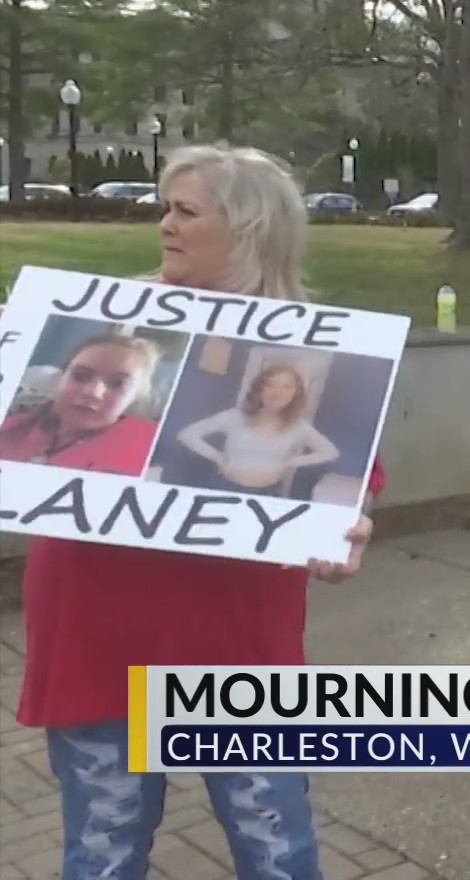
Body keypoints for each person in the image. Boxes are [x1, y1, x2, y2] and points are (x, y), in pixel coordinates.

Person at [17, 144, 377, 880]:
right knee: (103, 853)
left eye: (185, 211)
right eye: (165, 208)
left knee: (278, 852)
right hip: (102, 634)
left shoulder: (322, 345)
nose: (164, 225)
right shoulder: (112, 321)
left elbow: (351, 468)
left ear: (246, 229)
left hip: (236, 644)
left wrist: (347, 524)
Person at [0, 331, 164, 475]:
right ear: (61, 378)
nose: (93, 393)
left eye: (118, 383)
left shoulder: (153, 450)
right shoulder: (9, 427)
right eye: (80, 376)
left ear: (135, 396)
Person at [174, 363, 342, 495]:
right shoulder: (234, 416)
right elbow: (187, 434)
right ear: (259, 390)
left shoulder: (299, 426)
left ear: (295, 393)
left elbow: (330, 452)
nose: (278, 392)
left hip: (269, 492)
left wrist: (291, 462)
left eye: (287, 387)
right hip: (225, 487)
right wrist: (217, 457)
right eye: (270, 385)